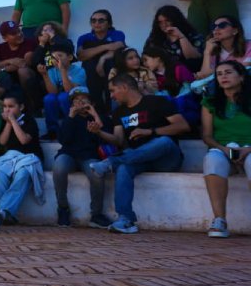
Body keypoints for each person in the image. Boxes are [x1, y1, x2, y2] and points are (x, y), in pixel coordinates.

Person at [89, 73, 189, 234]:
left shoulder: (157, 102)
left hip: (166, 158)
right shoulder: (119, 112)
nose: (111, 96)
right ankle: (126, 220)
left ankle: (111, 162)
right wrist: (99, 132)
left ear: (124, 87)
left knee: (164, 141)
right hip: (139, 159)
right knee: (124, 168)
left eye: (113, 90)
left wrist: (150, 131)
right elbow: (118, 140)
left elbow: (182, 126)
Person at [199, 61, 251, 238]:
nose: (223, 77)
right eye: (219, 74)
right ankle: (219, 220)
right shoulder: (210, 102)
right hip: (223, 147)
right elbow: (207, 136)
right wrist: (224, 149)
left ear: (241, 77)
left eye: (228, 72)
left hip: (249, 148)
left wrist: (247, 150)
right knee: (212, 160)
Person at [52, 89, 110, 228]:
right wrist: (70, 117)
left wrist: (94, 114)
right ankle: (63, 208)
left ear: (92, 103)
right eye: (76, 101)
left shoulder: (100, 118)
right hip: (69, 154)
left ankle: (96, 214)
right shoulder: (69, 119)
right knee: (59, 167)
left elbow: (106, 138)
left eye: (84, 100)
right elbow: (64, 140)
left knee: (96, 173)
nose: (80, 103)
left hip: (89, 156)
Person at [0, 95, 46, 225]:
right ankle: (5, 213)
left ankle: (2, 212)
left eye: (11, 106)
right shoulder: (5, 122)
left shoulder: (29, 120)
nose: (7, 110)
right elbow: (2, 141)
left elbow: (24, 140)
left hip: (29, 157)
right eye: (5, 107)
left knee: (22, 175)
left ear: (21, 107)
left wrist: (13, 121)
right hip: (10, 158)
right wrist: (8, 123)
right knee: (0, 174)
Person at [76, 9, 126, 105]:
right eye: (93, 20)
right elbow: (81, 56)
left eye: (101, 20)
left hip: (111, 72)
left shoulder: (117, 34)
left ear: (109, 24)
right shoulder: (84, 38)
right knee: (89, 65)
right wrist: (105, 47)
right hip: (92, 74)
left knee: (110, 63)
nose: (97, 23)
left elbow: (119, 46)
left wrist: (102, 60)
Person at [38, 42, 86, 140]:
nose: (56, 59)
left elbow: (70, 91)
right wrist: (45, 75)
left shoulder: (79, 71)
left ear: (70, 57)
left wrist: (63, 70)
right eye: (53, 57)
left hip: (77, 103)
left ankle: (72, 125)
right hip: (59, 105)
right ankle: (52, 130)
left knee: (63, 96)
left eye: (59, 56)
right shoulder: (52, 71)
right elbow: (53, 92)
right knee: (49, 98)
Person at [144, 5, 204, 74]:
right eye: (160, 22)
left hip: (190, 71)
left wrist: (181, 37)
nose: (164, 25)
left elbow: (194, 58)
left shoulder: (191, 34)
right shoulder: (154, 38)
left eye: (167, 20)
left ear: (175, 20)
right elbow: (146, 58)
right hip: (165, 74)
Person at [0, 21, 37, 109]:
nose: (19, 34)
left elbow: (24, 63)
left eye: (19, 31)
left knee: (22, 71)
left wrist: (3, 66)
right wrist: (10, 61)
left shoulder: (30, 42)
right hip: (7, 82)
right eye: (13, 33)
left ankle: (28, 101)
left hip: (30, 80)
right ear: (5, 38)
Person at [195, 16, 251, 81]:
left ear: (235, 31)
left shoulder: (249, 46)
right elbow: (204, 76)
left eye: (222, 25)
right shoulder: (213, 52)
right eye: (213, 26)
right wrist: (207, 52)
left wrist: (211, 72)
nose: (216, 29)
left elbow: (243, 69)